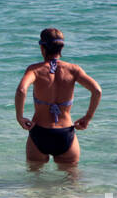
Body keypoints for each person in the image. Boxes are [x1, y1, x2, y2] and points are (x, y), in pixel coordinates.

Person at [15, 28, 101, 169]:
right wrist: (87, 117)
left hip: (39, 131)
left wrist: (20, 117)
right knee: (72, 183)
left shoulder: (34, 70)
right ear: (61, 47)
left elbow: (21, 90)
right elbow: (97, 90)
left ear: (42, 47)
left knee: (34, 183)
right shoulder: (73, 70)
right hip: (65, 132)